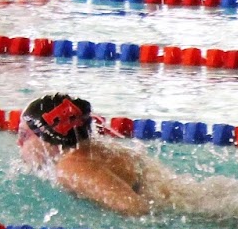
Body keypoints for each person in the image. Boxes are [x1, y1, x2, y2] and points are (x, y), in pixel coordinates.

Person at [18, 92, 176, 216]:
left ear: (47, 138)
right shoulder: (92, 148)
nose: (19, 143)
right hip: (177, 199)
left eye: (24, 135)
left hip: (176, 211)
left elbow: (136, 208)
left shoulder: (70, 167)